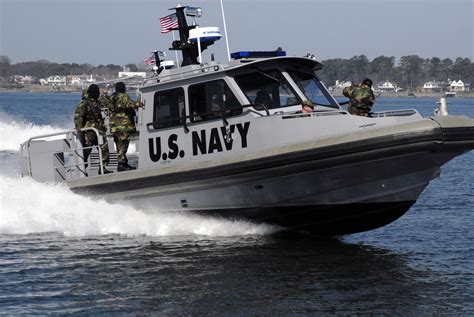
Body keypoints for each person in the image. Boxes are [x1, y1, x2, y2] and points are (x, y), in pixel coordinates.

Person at [74, 84, 110, 173]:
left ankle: (103, 168)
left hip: (99, 131)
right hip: (88, 132)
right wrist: (78, 127)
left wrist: (105, 95)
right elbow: (78, 116)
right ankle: (82, 170)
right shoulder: (84, 103)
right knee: (86, 152)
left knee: (104, 150)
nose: (97, 93)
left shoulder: (96, 102)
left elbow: (106, 102)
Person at [108, 82, 144, 171]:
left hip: (114, 125)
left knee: (119, 144)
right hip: (123, 125)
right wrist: (139, 104)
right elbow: (129, 104)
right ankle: (121, 164)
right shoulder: (123, 96)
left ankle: (123, 163)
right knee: (123, 144)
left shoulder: (112, 97)